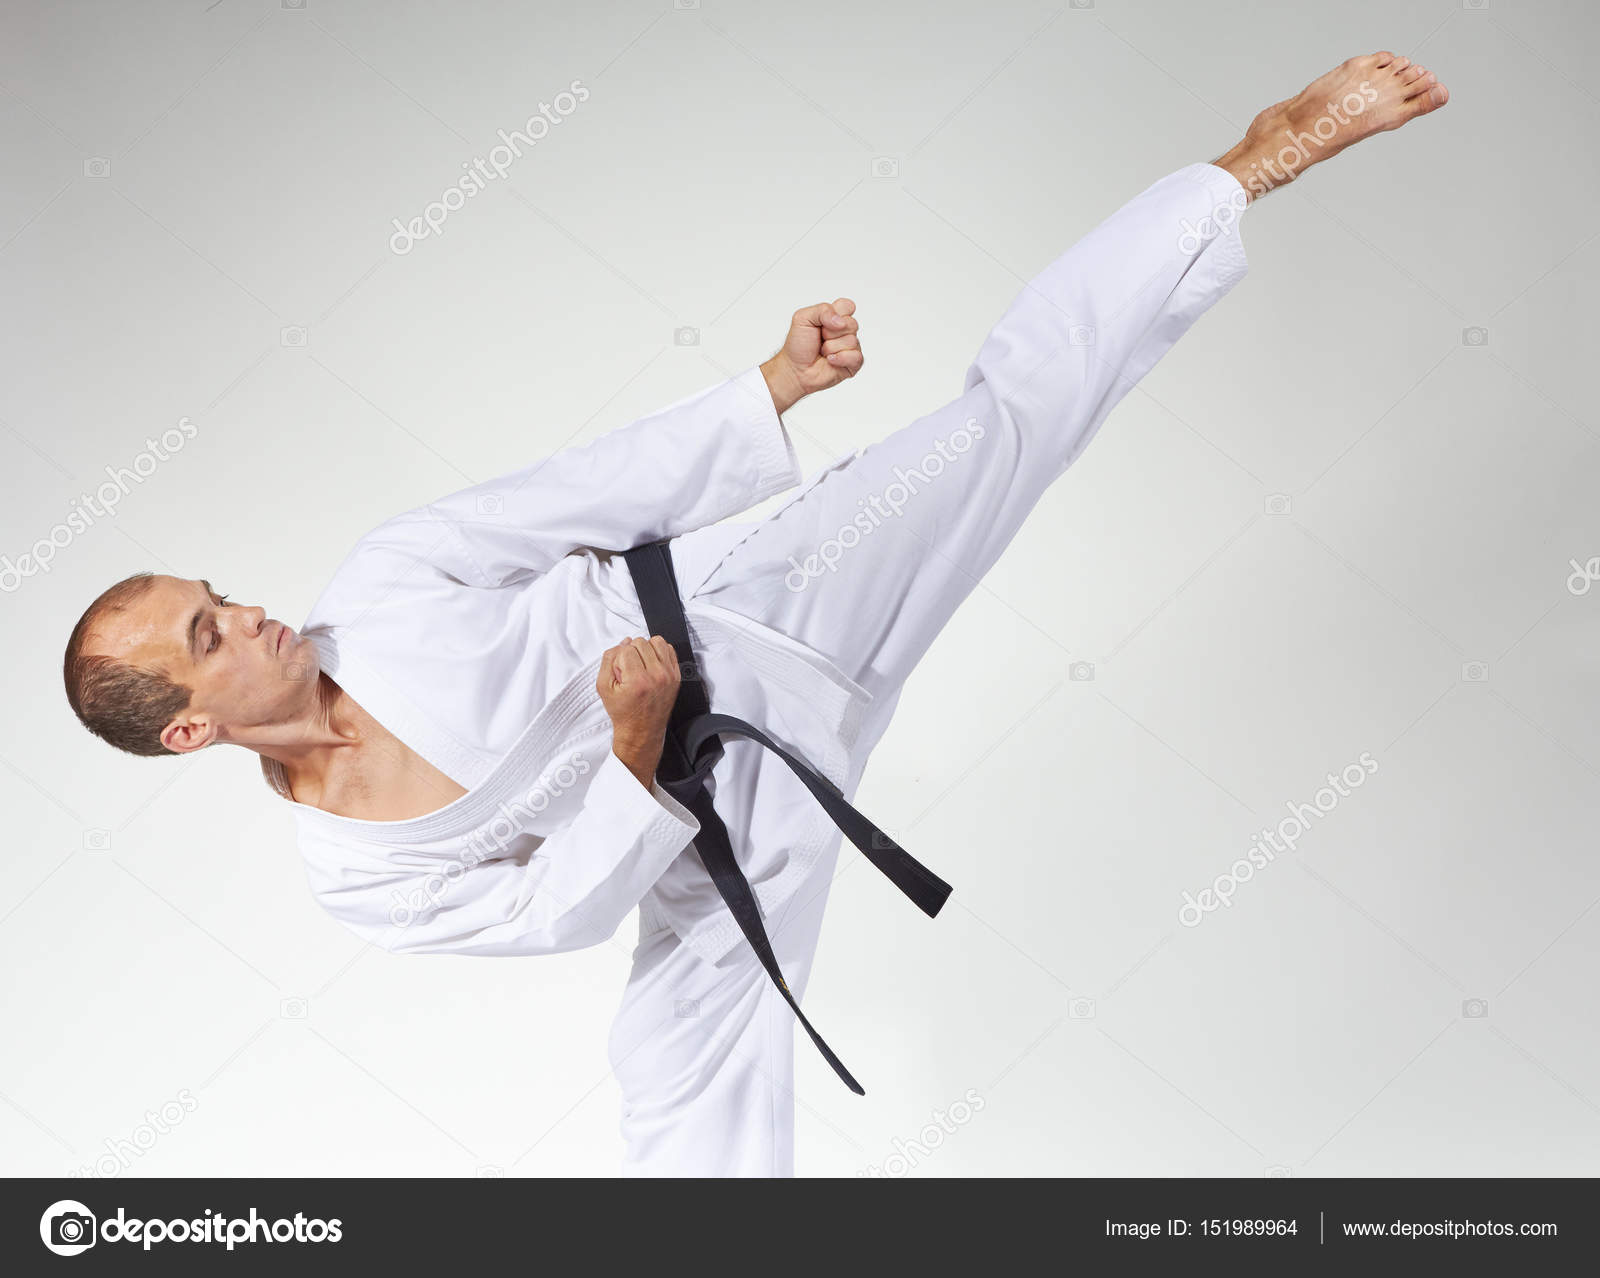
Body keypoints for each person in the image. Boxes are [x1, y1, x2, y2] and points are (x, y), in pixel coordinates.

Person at [62, 53, 1448, 1176]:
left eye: (222, 596)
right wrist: (627, 747)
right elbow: (550, 913)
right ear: (187, 729)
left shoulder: (378, 586)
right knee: (680, 1086)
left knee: (1006, 423)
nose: (247, 616)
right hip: (711, 823)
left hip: (771, 607)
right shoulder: (353, 870)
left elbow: (574, 494)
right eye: (208, 637)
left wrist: (769, 387)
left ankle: (1247, 163)